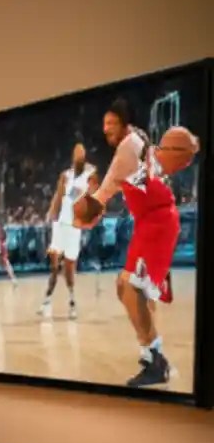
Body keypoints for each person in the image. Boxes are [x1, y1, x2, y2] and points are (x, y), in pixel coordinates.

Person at [73, 98, 199, 387]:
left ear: (124, 123)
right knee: (128, 287)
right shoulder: (139, 137)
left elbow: (99, 201)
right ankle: (151, 355)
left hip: (157, 221)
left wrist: (78, 213)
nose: (106, 130)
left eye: (111, 124)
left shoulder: (127, 148)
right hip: (148, 221)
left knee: (131, 287)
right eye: (104, 125)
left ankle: (156, 359)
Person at [39, 143, 98, 320]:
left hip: (75, 227)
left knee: (70, 268)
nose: (79, 156)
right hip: (60, 225)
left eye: (82, 153)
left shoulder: (90, 174)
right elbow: (57, 197)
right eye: (76, 153)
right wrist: (50, 213)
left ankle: (72, 302)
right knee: (55, 267)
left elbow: (95, 195)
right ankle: (47, 300)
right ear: (73, 156)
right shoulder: (65, 176)